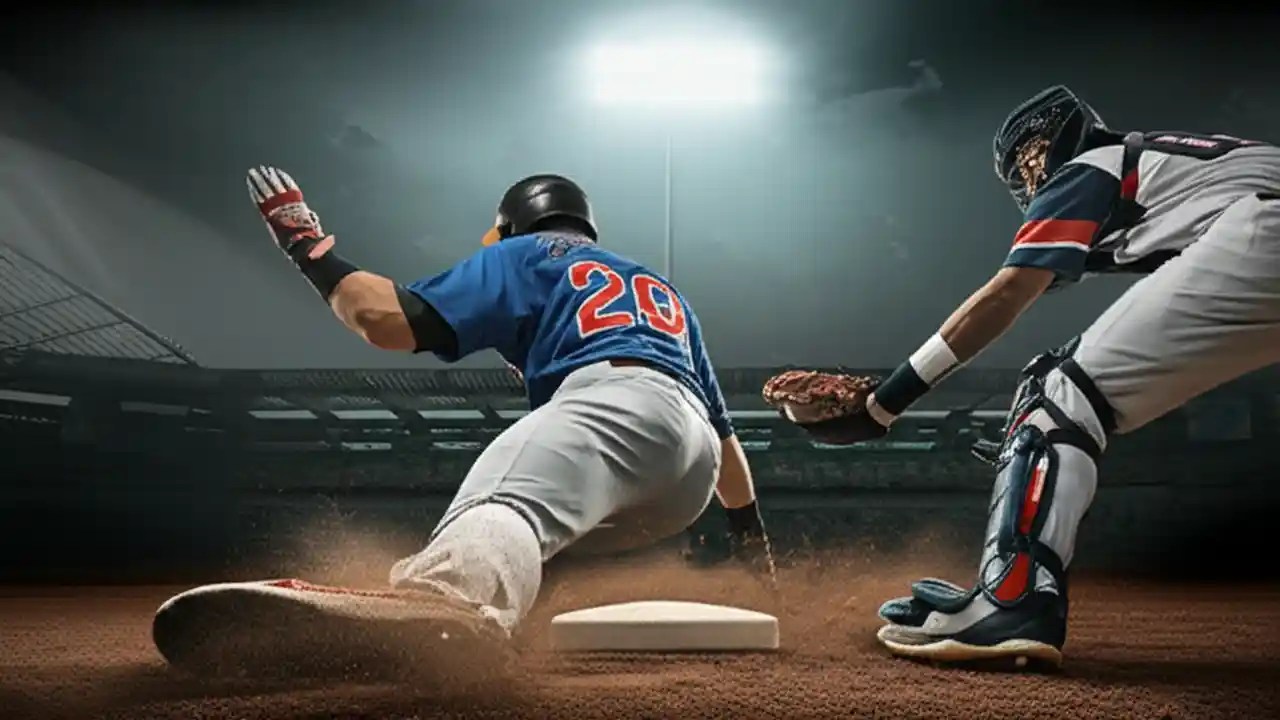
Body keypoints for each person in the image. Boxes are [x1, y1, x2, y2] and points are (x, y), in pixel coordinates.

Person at [152, 168, 773, 678]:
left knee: (501, 503)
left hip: (617, 408)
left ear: (512, 225)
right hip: (689, 474)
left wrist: (309, 250)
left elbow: (384, 320)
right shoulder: (662, 290)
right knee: (535, 540)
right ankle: (490, 627)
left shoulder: (531, 252)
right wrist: (751, 545)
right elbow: (724, 443)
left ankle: (441, 608)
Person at [766, 85, 1280, 668]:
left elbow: (1008, 294)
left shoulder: (1091, 164)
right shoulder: (1164, 169)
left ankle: (1012, 600)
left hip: (1263, 232)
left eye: (1026, 158)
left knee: (1058, 390)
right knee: (1068, 386)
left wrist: (886, 403)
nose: (1025, 176)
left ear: (1051, 142)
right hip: (1258, 228)